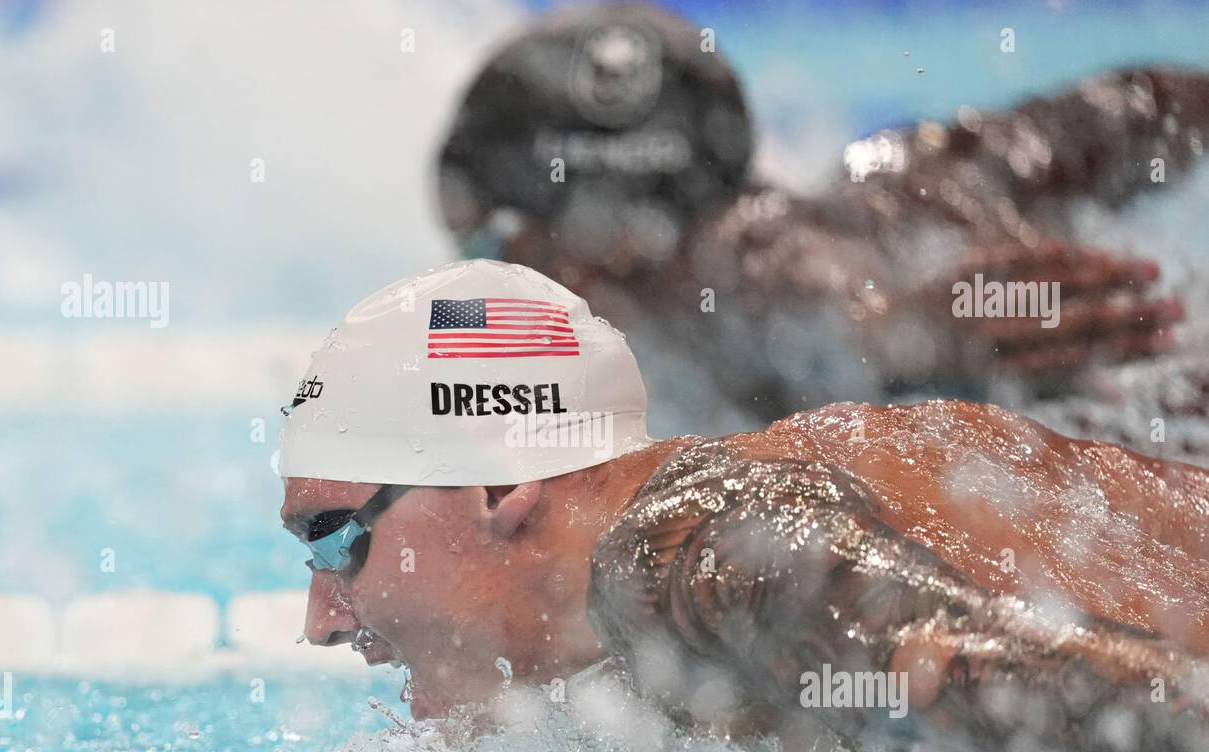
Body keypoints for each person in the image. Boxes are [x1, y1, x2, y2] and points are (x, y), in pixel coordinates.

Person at [278, 259, 1209, 752]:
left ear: (497, 488)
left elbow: (949, 655)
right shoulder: (610, 654)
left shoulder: (687, 548)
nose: (319, 618)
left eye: (336, 540)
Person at [437, 3, 1208, 450]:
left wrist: (904, 334)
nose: (489, 286)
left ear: (606, 241)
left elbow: (805, 302)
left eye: (489, 248)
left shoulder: (738, 280)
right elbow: (1140, 106)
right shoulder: (907, 179)